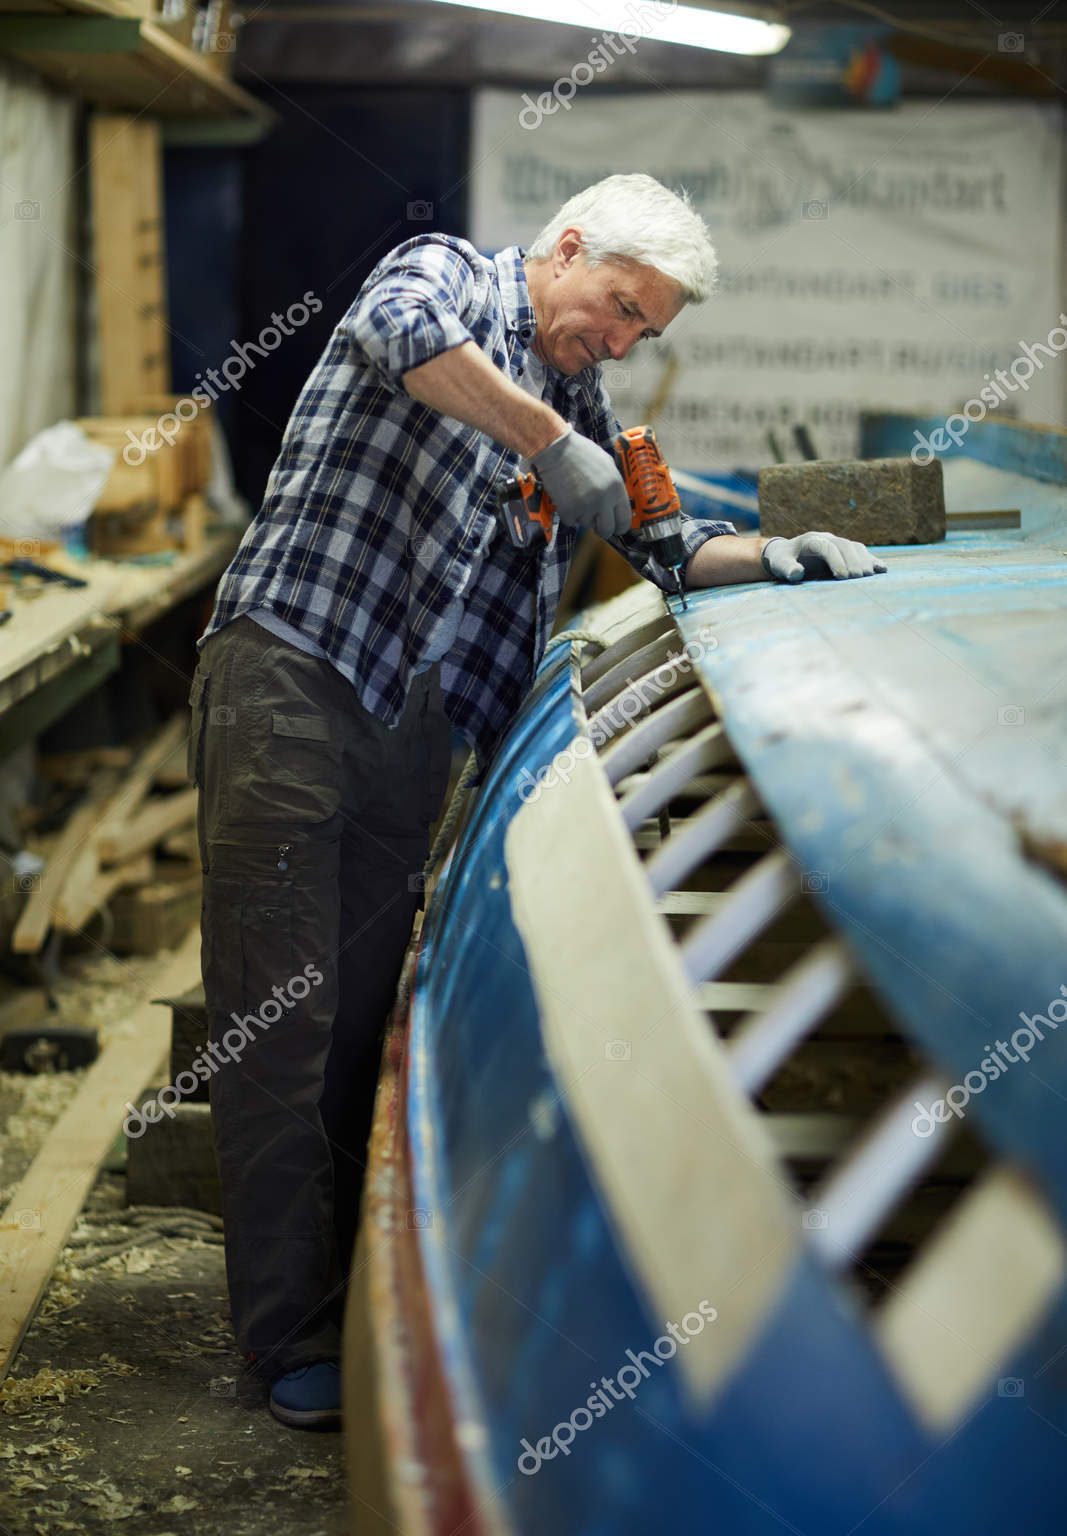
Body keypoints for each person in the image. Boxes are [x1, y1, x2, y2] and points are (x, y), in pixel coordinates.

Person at [187, 172, 884, 1430]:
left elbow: (660, 540)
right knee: (279, 1023)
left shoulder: (576, 391)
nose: (616, 342)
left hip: (414, 718)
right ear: (564, 248)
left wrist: (769, 558)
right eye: (615, 307)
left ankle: (340, 1295)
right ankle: (283, 1339)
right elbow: (397, 333)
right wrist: (542, 438)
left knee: (352, 1029)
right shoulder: (450, 276)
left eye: (641, 334)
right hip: (290, 677)